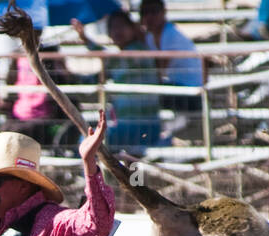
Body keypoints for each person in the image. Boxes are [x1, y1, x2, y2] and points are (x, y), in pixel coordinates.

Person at [71, 12, 165, 150]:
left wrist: (86, 39)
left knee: (88, 142)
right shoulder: (121, 57)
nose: (117, 31)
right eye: (113, 27)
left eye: (122, 26)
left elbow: (110, 58)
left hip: (141, 127)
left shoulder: (139, 50)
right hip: (127, 125)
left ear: (132, 28)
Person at [139, 0, 203, 129]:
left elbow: (160, 70)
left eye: (154, 11)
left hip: (192, 94)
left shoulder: (170, 34)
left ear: (163, 13)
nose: (149, 17)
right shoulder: (151, 37)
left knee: (142, 96)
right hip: (178, 90)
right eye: (144, 13)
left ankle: (151, 130)